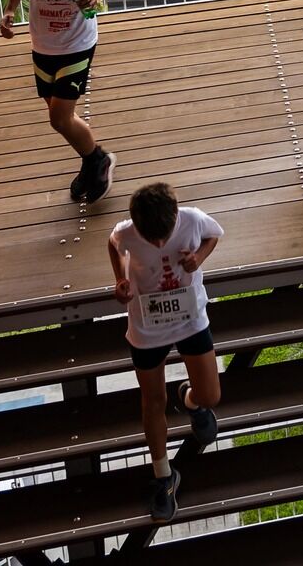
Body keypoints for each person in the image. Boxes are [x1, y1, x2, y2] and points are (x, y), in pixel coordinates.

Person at [108, 182, 224, 523]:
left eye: (165, 237)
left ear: (175, 216)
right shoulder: (127, 232)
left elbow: (214, 235)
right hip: (148, 328)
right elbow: (113, 243)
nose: (159, 245)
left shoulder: (192, 219)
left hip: (190, 319)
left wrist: (198, 258)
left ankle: (191, 401)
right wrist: (120, 280)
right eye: (151, 240)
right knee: (152, 401)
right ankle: (164, 476)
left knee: (211, 396)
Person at [0, 0, 114, 202]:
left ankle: (97, 160)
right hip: (42, 38)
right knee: (57, 111)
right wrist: (9, 10)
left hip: (78, 36)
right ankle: (91, 161)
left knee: (59, 117)